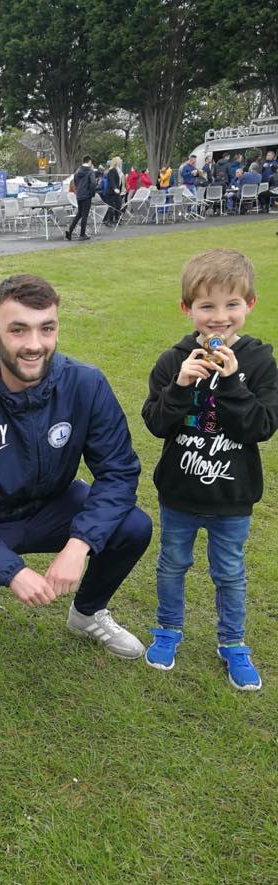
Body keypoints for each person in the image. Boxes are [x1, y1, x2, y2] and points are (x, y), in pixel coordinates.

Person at [0, 274, 152, 656]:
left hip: (56, 505)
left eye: (46, 329)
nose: (34, 345)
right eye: (18, 330)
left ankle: (87, 613)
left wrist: (79, 544)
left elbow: (119, 471)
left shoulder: (86, 384)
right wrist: (12, 571)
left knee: (133, 526)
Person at [141, 250, 278, 689]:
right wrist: (181, 386)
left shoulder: (258, 362)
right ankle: (167, 629)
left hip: (232, 498)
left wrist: (235, 383)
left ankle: (233, 642)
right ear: (188, 309)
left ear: (250, 304)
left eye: (231, 305)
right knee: (172, 564)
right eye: (207, 306)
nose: (219, 318)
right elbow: (155, 422)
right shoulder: (172, 360)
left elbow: (262, 426)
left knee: (230, 571)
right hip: (180, 494)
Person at [65, 155, 96, 242]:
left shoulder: (77, 171)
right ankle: (82, 234)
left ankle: (70, 231)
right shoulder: (90, 171)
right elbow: (93, 183)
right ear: (89, 161)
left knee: (79, 214)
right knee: (84, 215)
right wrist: (92, 193)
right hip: (86, 195)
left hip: (79, 195)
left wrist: (79, 190)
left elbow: (75, 181)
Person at [102, 156, 124, 224]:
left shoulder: (117, 170)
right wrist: (115, 188)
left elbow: (119, 181)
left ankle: (116, 219)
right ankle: (109, 220)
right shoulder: (112, 170)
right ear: (116, 162)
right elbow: (112, 181)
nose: (120, 161)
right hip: (111, 191)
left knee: (118, 204)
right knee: (111, 206)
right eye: (119, 160)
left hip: (115, 191)